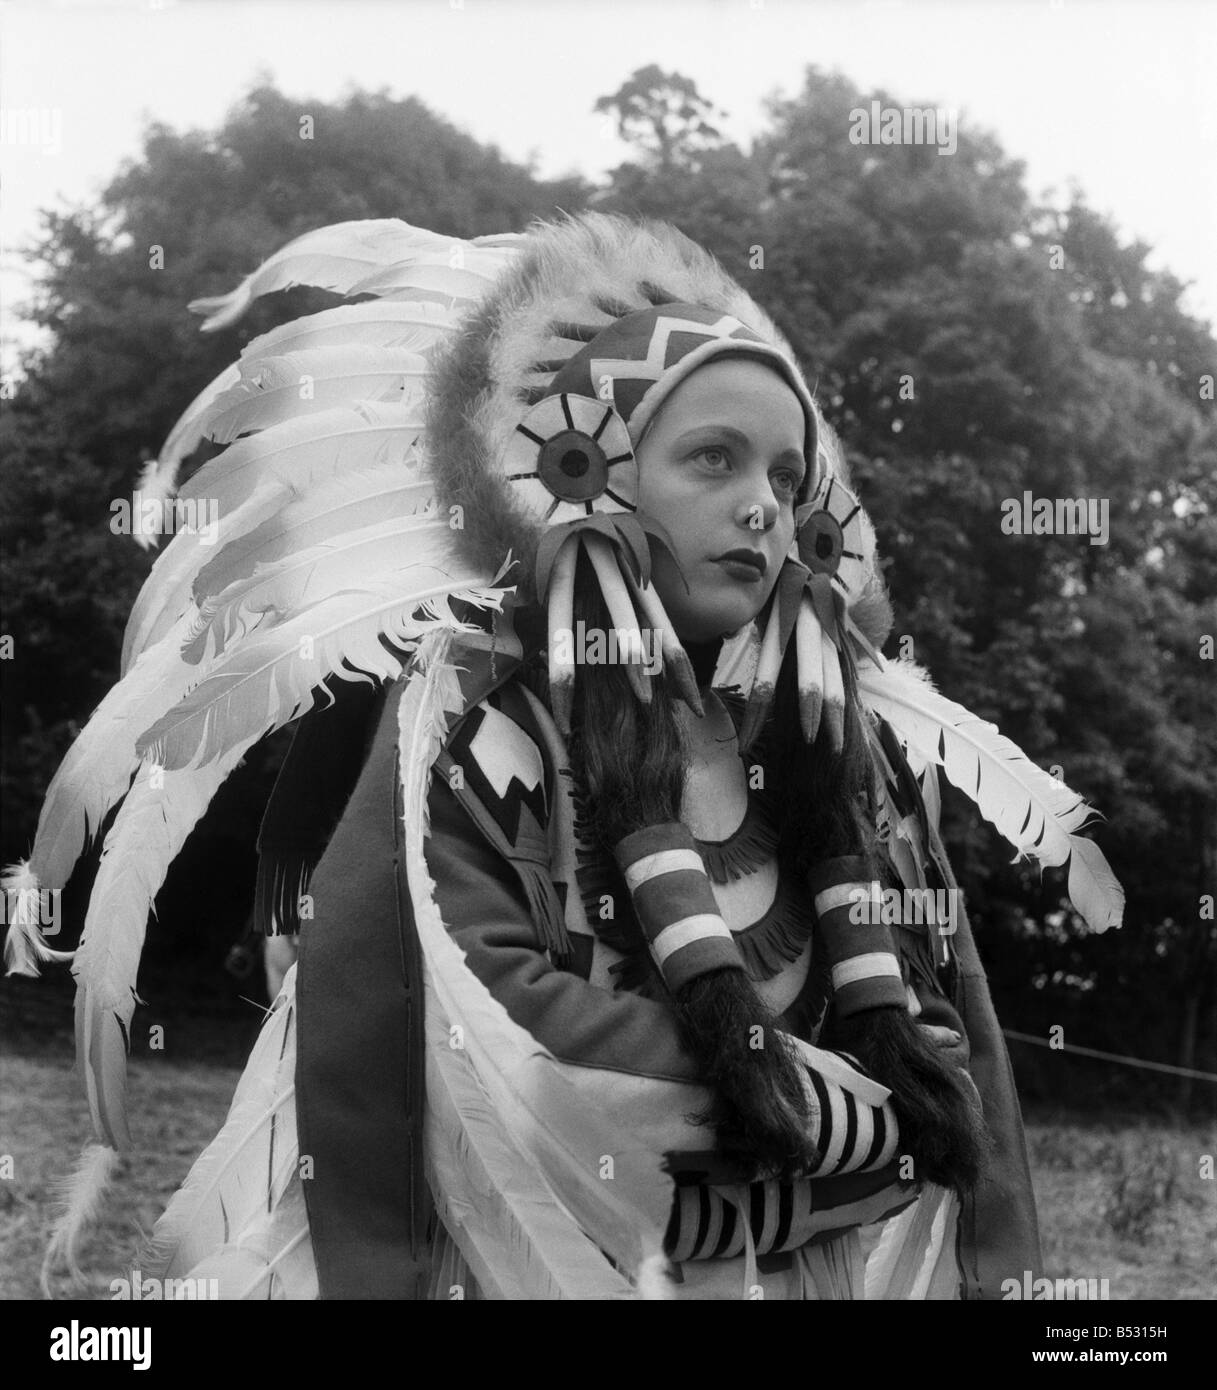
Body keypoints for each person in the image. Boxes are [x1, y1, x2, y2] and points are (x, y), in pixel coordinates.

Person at [11, 211, 1122, 1299]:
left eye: (786, 479)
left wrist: (902, 1117)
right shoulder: (489, 719)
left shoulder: (831, 744)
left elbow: (946, 1026)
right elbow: (477, 1017)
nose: (760, 509)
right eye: (712, 459)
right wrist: (813, 1111)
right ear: (594, 475)